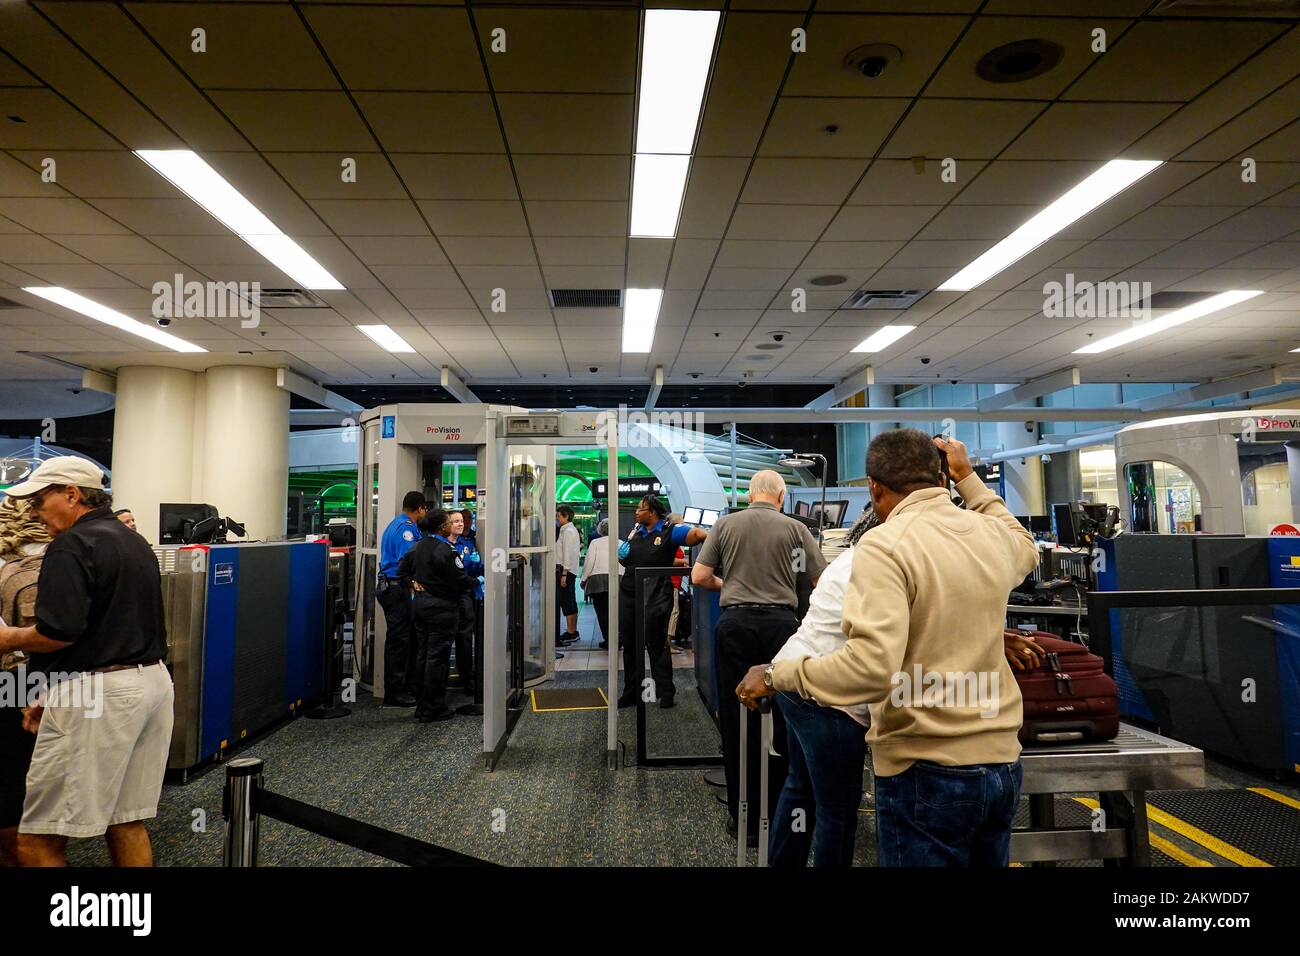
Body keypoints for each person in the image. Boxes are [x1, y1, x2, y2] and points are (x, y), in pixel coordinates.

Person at [738, 432, 1039, 867]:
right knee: (810, 791)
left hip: (925, 765)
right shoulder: (988, 532)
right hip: (1001, 767)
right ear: (942, 477)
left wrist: (773, 675)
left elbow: (871, 668)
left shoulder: (883, 546)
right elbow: (1019, 549)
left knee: (824, 802)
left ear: (874, 488)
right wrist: (969, 479)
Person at [0, 456, 174, 867]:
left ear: (72, 494)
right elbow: (104, 629)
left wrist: (8, 639)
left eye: (40, 500)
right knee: (125, 821)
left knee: (37, 841)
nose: (35, 512)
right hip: (151, 684)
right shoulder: (132, 541)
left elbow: (58, 632)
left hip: (99, 695)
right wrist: (54, 692)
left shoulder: (71, 545)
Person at [691, 469, 826, 844]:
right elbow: (821, 582)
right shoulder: (796, 530)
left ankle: (744, 821)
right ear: (781, 496)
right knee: (784, 720)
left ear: (751, 495)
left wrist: (730, 584)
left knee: (736, 718)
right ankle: (779, 816)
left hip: (735, 625)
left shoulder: (725, 525)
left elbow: (699, 577)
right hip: (782, 629)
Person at [616, 495, 706, 709]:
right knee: (630, 645)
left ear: (652, 512)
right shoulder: (636, 531)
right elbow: (630, 558)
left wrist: (707, 538)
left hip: (656, 595)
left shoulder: (669, 530)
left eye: (640, 509)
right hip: (630, 592)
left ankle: (666, 692)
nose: (636, 512)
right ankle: (631, 692)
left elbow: (697, 535)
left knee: (656, 644)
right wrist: (622, 557)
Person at [0, 496, 50, 866]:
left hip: (10, 677)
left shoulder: (8, 567)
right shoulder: (60, 561)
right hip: (45, 677)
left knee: (10, 775)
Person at [401, 509, 474, 723]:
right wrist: (477, 583)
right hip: (442, 609)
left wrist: (411, 583)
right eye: (447, 522)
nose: (450, 525)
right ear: (442, 526)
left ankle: (422, 704)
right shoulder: (445, 551)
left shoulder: (416, 547)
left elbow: (402, 570)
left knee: (423, 653)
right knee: (437, 657)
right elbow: (460, 579)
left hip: (421, 607)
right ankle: (434, 707)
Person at [377, 491, 427, 707]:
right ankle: (394, 692)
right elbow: (408, 561)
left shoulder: (396, 524)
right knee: (399, 641)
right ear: (420, 509)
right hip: (397, 589)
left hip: (392, 587)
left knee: (403, 639)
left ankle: (403, 686)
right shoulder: (405, 529)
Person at [447, 510, 482, 694]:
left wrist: (477, 564)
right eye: (456, 521)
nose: (460, 524)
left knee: (465, 638)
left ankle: (467, 678)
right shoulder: (441, 545)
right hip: (445, 597)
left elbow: (473, 569)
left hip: (464, 596)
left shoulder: (468, 544)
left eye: (462, 521)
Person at [581, 519, 617, 650]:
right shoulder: (621, 542)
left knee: (602, 612)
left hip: (598, 580)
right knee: (617, 611)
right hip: (617, 579)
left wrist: (583, 579)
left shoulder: (595, 543)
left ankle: (608, 640)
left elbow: (589, 561)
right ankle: (618, 638)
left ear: (600, 529)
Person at [555, 506, 581, 646]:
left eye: (558, 516)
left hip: (565, 571)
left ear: (566, 517)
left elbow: (568, 553)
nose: (557, 519)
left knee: (567, 600)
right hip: (565, 570)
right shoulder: (565, 530)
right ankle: (572, 631)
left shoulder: (569, 531)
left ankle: (572, 632)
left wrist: (564, 573)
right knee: (568, 599)